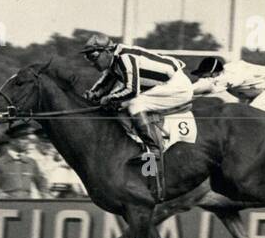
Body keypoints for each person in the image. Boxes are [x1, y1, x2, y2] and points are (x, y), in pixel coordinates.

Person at [79, 32, 193, 200]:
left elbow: (131, 90)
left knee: (135, 103)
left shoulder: (126, 58)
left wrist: (108, 98)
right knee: (122, 105)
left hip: (177, 86)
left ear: (107, 51)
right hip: (163, 86)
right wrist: (91, 95)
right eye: (88, 58)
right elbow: (103, 85)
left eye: (94, 56)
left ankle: (153, 148)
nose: (91, 62)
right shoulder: (114, 62)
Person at [190, 55, 265, 112]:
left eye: (203, 75)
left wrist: (179, 91)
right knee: (247, 113)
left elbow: (202, 88)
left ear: (213, 73)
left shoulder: (229, 75)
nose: (200, 78)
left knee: (251, 112)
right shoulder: (222, 74)